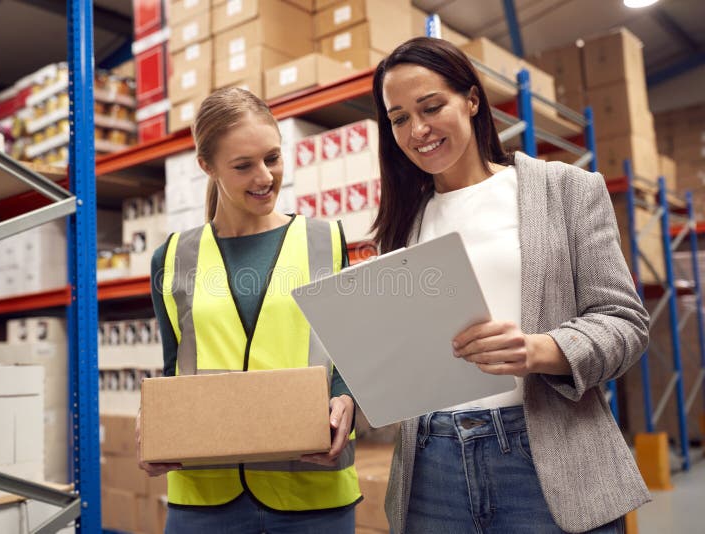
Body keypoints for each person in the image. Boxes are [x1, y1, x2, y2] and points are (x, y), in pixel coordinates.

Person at [372, 37, 650, 534]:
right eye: (398, 118)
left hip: (543, 458)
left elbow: (625, 322)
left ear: (472, 101)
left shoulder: (566, 189)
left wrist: (543, 350)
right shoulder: (402, 222)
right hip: (432, 465)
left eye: (432, 107)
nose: (418, 130)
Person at [138, 87, 362, 534]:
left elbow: (348, 360)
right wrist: (154, 425)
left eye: (273, 158)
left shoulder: (325, 241)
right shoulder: (174, 256)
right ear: (207, 166)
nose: (265, 177)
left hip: (312, 490)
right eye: (243, 166)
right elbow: (173, 369)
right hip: (205, 495)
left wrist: (346, 400)